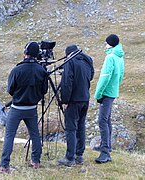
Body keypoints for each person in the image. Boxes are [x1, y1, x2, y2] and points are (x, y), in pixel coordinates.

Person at [0, 42, 48, 173]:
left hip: (17, 108)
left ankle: (4, 165)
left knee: (9, 135)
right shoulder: (42, 70)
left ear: (25, 53)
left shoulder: (17, 70)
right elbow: (44, 90)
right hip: (32, 108)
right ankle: (35, 161)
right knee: (35, 134)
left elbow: (10, 89)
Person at [58, 45, 94, 166]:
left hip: (74, 100)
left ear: (68, 54)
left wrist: (65, 100)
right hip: (85, 98)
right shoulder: (87, 60)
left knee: (71, 128)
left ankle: (70, 158)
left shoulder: (70, 61)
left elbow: (67, 82)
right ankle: (79, 155)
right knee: (81, 126)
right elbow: (91, 76)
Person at [94, 34, 125, 163]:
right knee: (107, 120)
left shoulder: (110, 57)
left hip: (106, 93)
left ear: (110, 44)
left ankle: (105, 152)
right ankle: (106, 146)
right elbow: (121, 75)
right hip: (113, 92)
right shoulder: (119, 57)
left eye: (106, 42)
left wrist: (98, 94)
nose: (105, 45)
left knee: (102, 120)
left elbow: (104, 77)